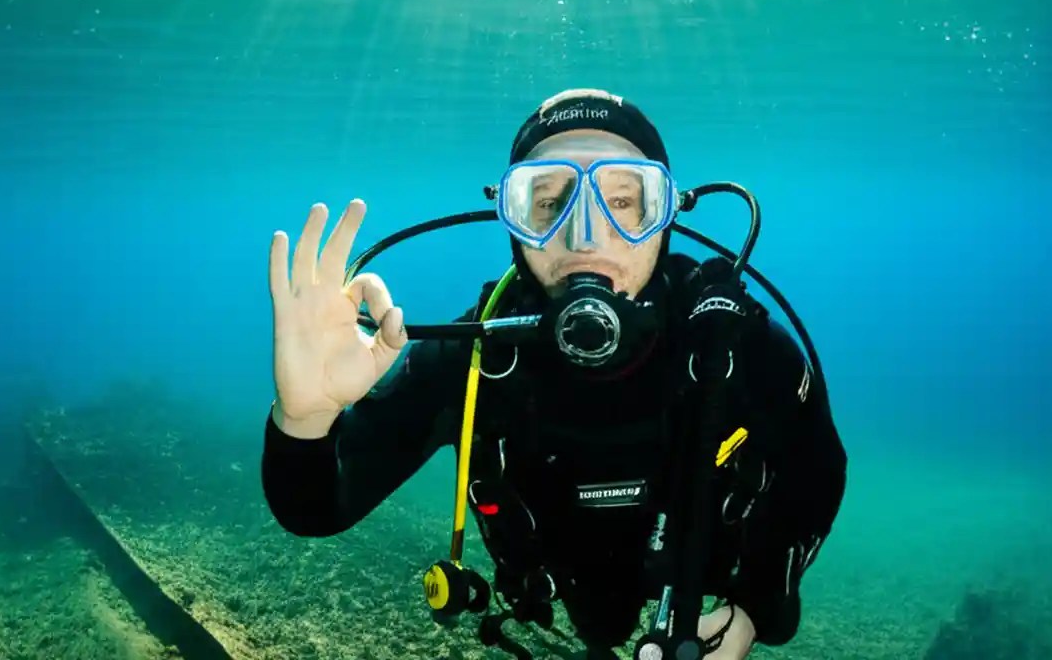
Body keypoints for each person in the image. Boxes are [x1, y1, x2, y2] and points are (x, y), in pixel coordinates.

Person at [261, 88, 848, 660]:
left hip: (696, 580)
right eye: (547, 202)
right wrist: (305, 420)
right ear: (514, 222)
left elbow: (818, 469)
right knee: (599, 626)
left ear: (665, 213)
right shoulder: (476, 361)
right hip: (553, 576)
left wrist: (756, 607)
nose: (585, 234)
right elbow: (315, 509)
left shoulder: (734, 347)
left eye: (623, 200)